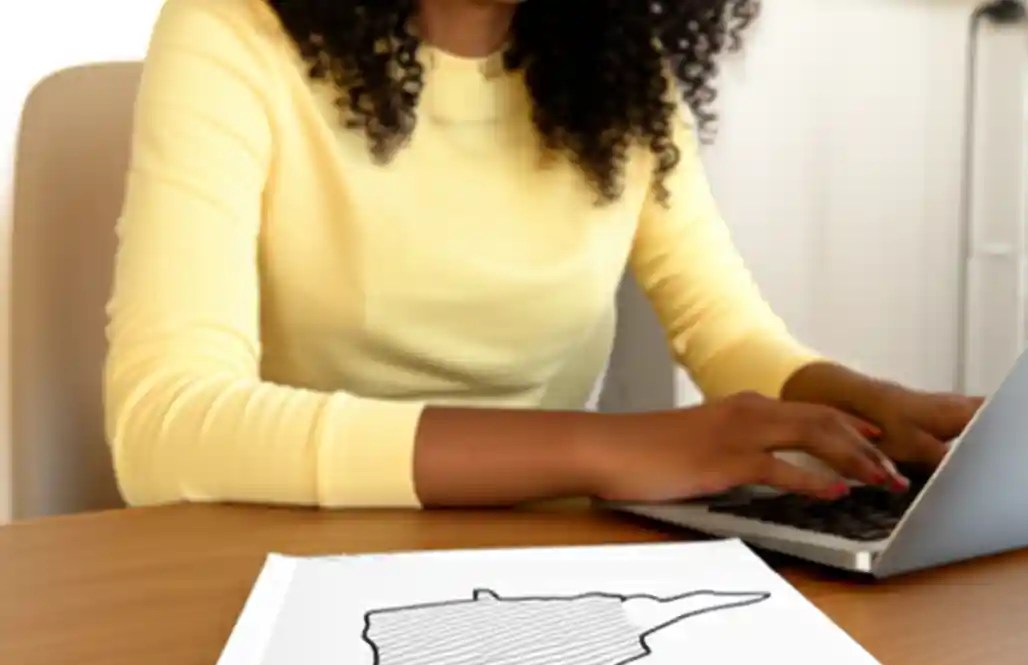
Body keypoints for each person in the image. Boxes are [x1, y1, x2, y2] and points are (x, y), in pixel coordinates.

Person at [105, 0, 981, 510]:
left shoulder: (618, 64)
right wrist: (602, 450)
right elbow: (168, 427)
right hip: (292, 552)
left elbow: (726, 334)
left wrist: (871, 413)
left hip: (557, 565)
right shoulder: (229, 29)